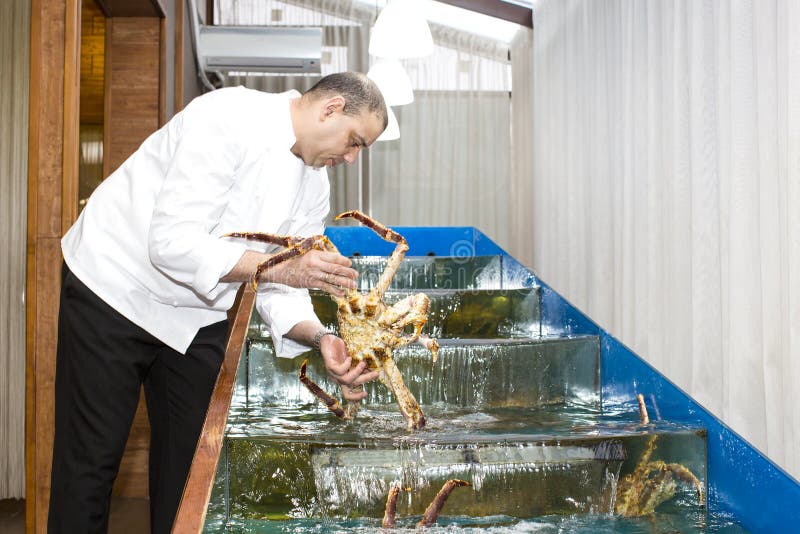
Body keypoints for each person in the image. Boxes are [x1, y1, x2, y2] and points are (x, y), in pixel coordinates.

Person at [48, 72, 387, 533]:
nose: (350, 158)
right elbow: (169, 243)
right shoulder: (229, 117)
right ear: (329, 109)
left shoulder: (314, 187)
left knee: (192, 476)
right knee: (91, 464)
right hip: (114, 286)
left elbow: (282, 284)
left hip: (197, 313)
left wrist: (321, 337)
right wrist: (283, 268)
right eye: (355, 142)